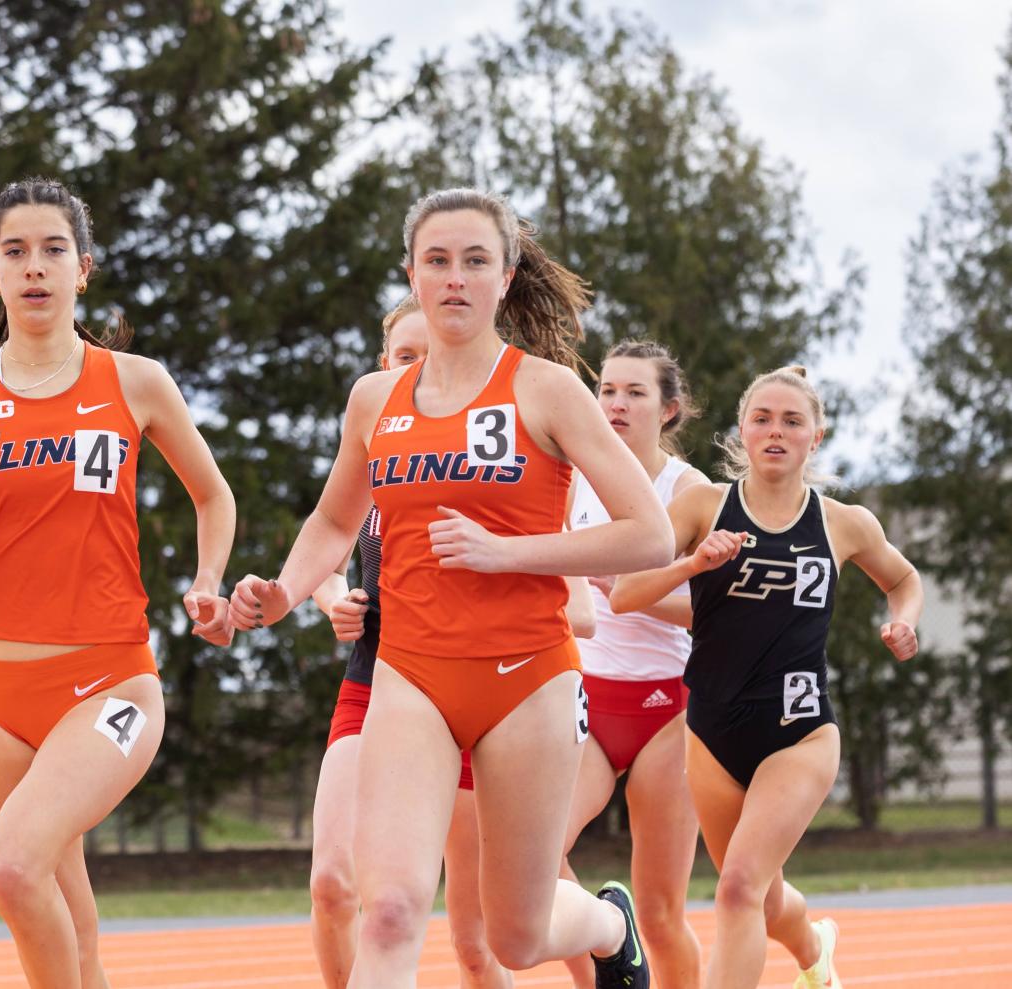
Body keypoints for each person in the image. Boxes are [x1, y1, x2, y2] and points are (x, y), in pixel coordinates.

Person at [230, 187, 674, 989]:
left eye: (475, 261)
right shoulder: (375, 399)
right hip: (410, 676)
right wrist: (284, 590)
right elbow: (335, 522)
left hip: (526, 680)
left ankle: (608, 924)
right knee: (391, 910)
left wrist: (506, 554)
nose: (455, 279)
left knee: (515, 933)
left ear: (504, 277)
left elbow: (649, 533)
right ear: (412, 273)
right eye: (437, 261)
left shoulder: (545, 389)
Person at [0, 177, 235, 988]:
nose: (33, 268)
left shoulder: (134, 381)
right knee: (67, 917)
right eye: (15, 251)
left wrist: (207, 578)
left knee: (10, 868)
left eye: (51, 250)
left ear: (83, 268)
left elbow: (212, 495)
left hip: (107, 682)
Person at [309, 295, 597, 989]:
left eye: (425, 354)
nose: (420, 368)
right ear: (386, 369)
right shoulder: (377, 479)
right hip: (384, 685)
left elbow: (580, 608)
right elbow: (326, 548)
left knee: (486, 939)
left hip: (499, 691)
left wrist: (500, 556)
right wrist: (327, 600)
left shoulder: (501, 476)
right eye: (404, 357)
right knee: (338, 887)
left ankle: (609, 949)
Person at [609, 365, 922, 989]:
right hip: (712, 733)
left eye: (791, 421)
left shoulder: (844, 523)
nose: (775, 431)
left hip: (799, 734)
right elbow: (625, 592)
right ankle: (816, 949)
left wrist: (904, 622)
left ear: (816, 436)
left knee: (736, 890)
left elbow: (904, 579)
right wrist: (694, 562)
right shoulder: (703, 506)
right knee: (764, 897)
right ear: (742, 432)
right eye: (762, 419)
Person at [560, 339, 707, 989]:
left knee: (661, 909)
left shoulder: (690, 490)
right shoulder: (571, 480)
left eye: (633, 392)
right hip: (586, 697)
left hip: (667, 707)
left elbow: (718, 612)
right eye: (606, 391)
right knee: (534, 858)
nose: (615, 403)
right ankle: (606, 961)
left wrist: (625, 581)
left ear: (668, 409)